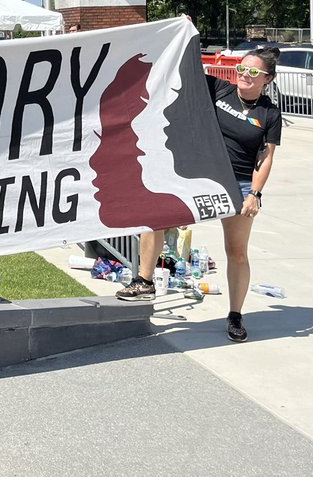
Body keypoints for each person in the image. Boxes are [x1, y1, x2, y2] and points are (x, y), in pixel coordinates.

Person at [116, 47, 282, 343]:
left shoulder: (269, 113)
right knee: (155, 217)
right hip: (200, 177)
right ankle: (144, 281)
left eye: (253, 72)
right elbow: (186, 68)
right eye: (241, 68)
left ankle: (235, 315)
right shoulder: (221, 89)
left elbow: (265, 157)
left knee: (237, 252)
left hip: (239, 185)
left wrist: (255, 194)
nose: (244, 75)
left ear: (266, 79)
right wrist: (183, 35)